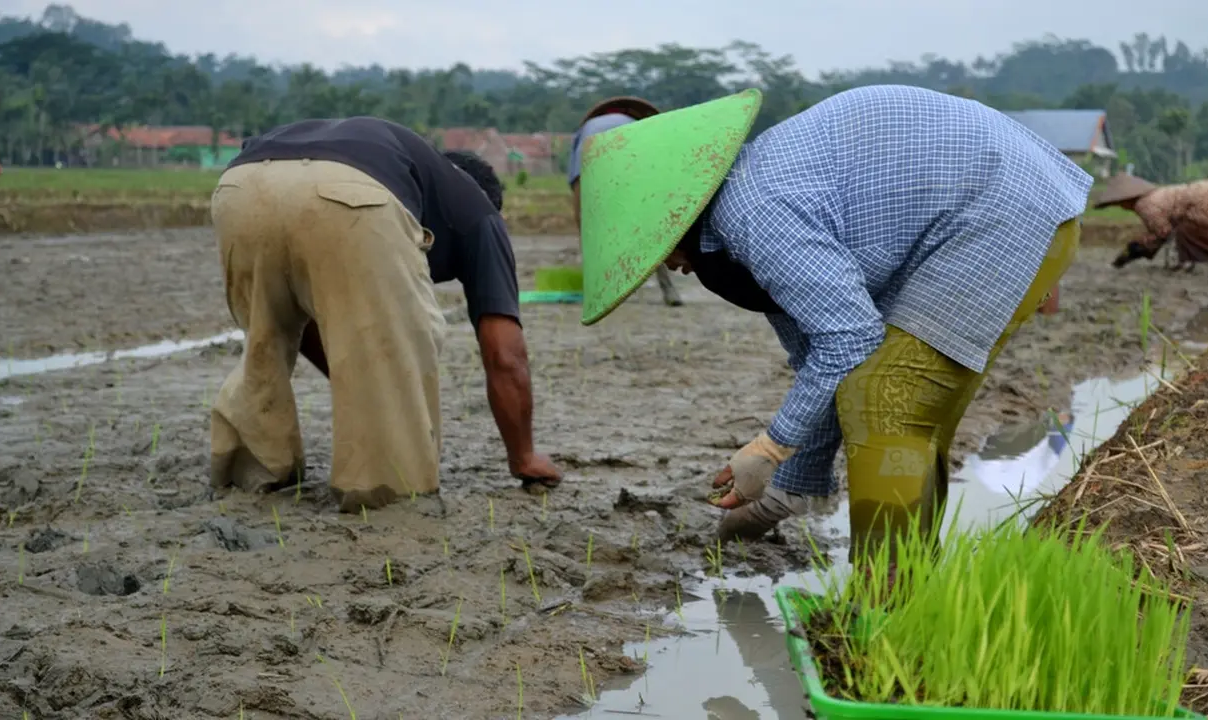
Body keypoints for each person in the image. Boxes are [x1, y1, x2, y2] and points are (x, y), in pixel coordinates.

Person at [575, 85, 1093, 562]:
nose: (667, 265)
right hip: (991, 206)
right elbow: (820, 364)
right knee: (896, 410)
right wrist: (782, 493)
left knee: (886, 398)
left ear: (677, 214)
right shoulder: (741, 227)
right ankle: (909, 587)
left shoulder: (755, 214)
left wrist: (771, 447)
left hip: (1000, 206)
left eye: (658, 249)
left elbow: (850, 339)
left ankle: (885, 602)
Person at [209, 117, 561, 512]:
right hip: (349, 194)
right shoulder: (480, 212)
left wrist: (352, 373)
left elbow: (308, 318)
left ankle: (249, 471)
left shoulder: (415, 171)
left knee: (266, 333)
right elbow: (504, 354)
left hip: (238, 188)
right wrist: (524, 457)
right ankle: (385, 492)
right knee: (402, 363)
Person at [568, 96, 684, 307]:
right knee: (651, 231)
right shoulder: (637, 126)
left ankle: (597, 293)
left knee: (592, 235)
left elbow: (573, 173)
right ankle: (669, 290)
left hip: (588, 173)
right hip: (632, 169)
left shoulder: (586, 129)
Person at [1096, 173, 1208, 279]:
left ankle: (1181, 264)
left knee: (1183, 231)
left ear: (1125, 200)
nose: (1121, 207)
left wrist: (1136, 247)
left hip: (1207, 203)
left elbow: (1162, 232)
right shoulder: (1158, 194)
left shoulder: (1145, 205)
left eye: (1119, 204)